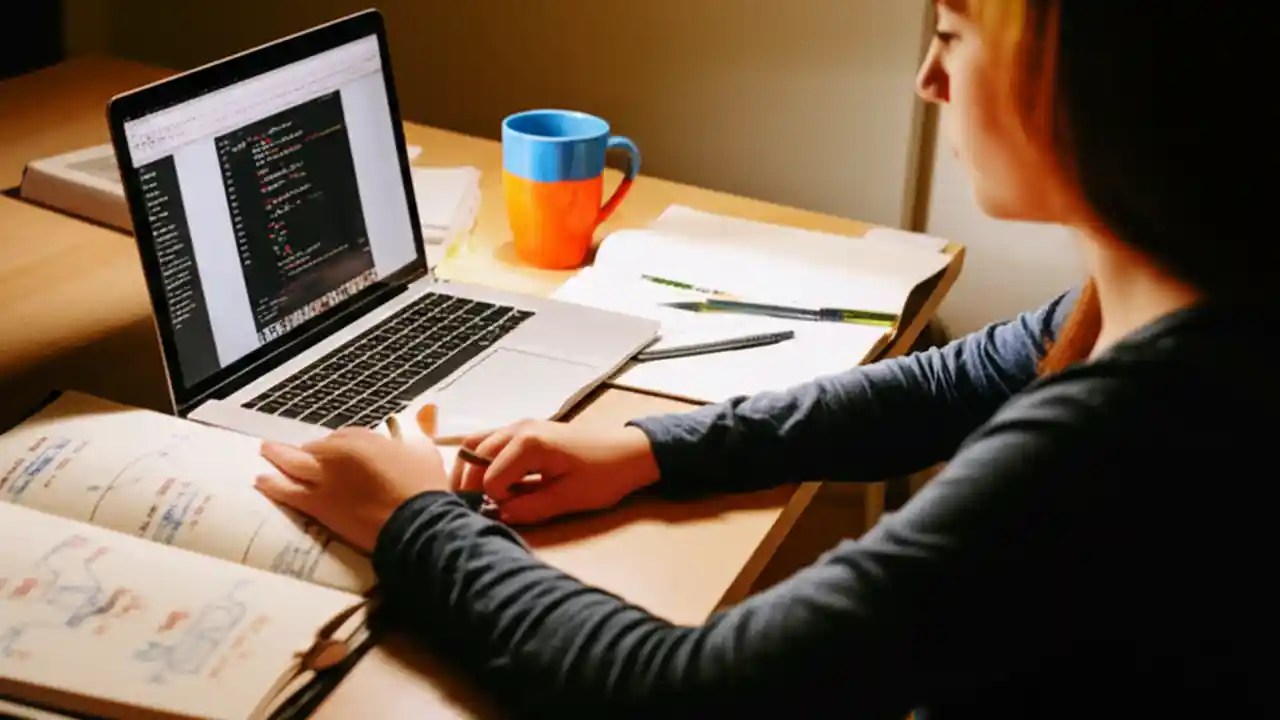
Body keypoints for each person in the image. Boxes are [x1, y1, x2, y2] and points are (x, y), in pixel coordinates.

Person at [255, 2, 1272, 717]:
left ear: (1082, 76)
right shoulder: (1188, 277)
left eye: (953, 34)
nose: (926, 80)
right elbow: (948, 383)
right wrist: (649, 449)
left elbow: (676, 690)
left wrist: (414, 522)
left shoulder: (1133, 432)